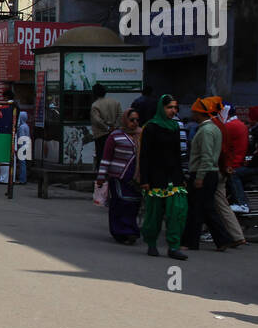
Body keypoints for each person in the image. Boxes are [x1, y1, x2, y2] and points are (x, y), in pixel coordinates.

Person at [138, 94, 188, 260]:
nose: (173, 111)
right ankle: (151, 243)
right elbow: (144, 155)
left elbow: (177, 154)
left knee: (176, 213)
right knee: (154, 214)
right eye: (169, 107)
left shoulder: (175, 126)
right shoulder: (150, 127)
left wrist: (181, 176)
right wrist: (144, 179)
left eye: (175, 108)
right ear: (162, 108)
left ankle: (173, 247)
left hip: (173, 175)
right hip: (155, 176)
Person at [181, 97, 233, 252]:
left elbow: (207, 156)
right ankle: (222, 239)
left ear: (199, 113)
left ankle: (190, 242)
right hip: (209, 172)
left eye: (194, 112)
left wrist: (200, 177)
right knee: (206, 208)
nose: (192, 114)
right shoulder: (213, 128)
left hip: (204, 173)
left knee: (196, 209)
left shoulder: (206, 131)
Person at [96, 108, 143, 245]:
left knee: (134, 204)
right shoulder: (115, 136)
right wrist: (101, 176)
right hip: (118, 176)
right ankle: (121, 231)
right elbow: (106, 157)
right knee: (121, 204)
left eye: (137, 120)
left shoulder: (141, 135)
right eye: (131, 120)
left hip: (136, 178)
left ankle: (131, 230)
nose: (134, 123)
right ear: (125, 120)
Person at [209, 101, 247, 247]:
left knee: (211, 203)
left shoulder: (227, 127)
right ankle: (236, 235)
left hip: (226, 166)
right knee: (221, 203)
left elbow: (221, 149)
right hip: (232, 164)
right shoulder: (239, 125)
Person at [220, 104, 251, 213]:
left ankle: (241, 203)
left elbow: (222, 147)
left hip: (233, 164)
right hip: (238, 161)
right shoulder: (240, 124)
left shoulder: (229, 126)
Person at [89, 83, 122, 173]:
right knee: (113, 155)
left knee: (102, 155)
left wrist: (107, 128)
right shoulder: (115, 102)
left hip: (101, 135)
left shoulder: (95, 105)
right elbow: (120, 116)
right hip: (114, 134)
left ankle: (102, 175)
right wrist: (114, 127)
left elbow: (97, 120)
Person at [15, 112, 31, 184]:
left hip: (22, 147)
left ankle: (22, 179)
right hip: (27, 145)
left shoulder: (21, 127)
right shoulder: (26, 126)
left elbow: (21, 138)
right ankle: (23, 178)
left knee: (22, 163)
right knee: (23, 163)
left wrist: (19, 148)